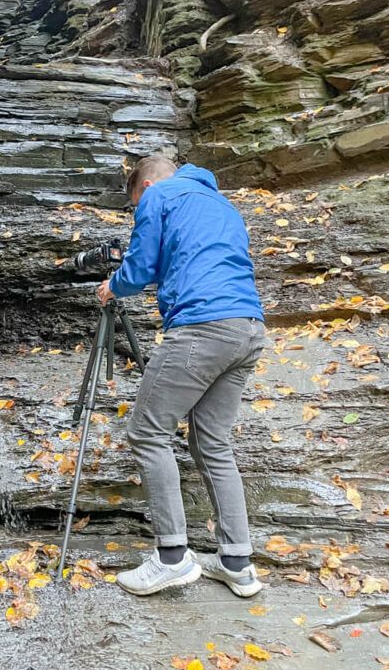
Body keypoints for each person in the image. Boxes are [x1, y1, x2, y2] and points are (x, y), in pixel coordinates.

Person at [97, 155, 265, 598]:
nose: (138, 210)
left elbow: (140, 270)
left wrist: (113, 284)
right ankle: (237, 562)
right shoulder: (221, 204)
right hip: (248, 327)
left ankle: (171, 557)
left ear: (146, 185)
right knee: (213, 442)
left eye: (135, 204)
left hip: (201, 328)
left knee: (147, 432)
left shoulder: (158, 196)